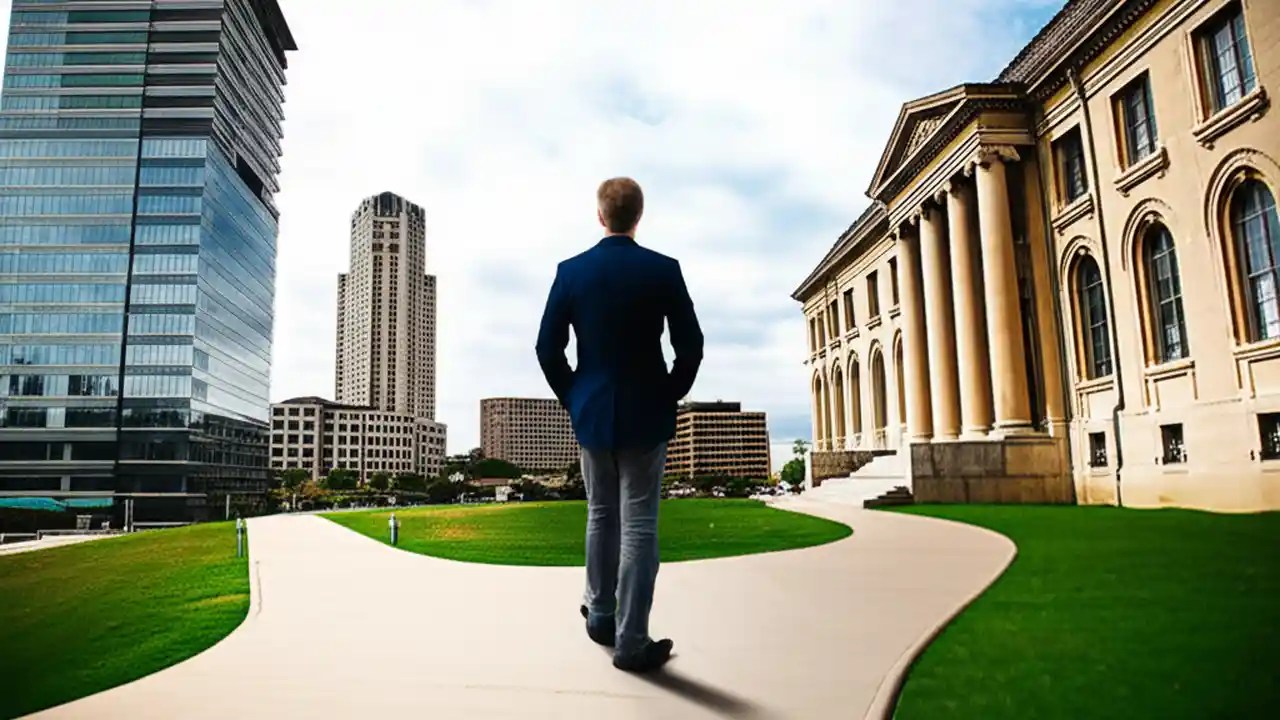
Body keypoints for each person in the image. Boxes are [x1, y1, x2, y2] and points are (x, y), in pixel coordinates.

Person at [536, 177, 703, 673]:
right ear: (639, 215)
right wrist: (669, 391)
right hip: (646, 413)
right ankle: (631, 641)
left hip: (592, 415)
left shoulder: (571, 272)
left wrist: (574, 397)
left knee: (600, 515)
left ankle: (600, 615)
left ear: (600, 215)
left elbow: (548, 349)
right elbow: (690, 344)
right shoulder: (663, 270)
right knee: (639, 527)